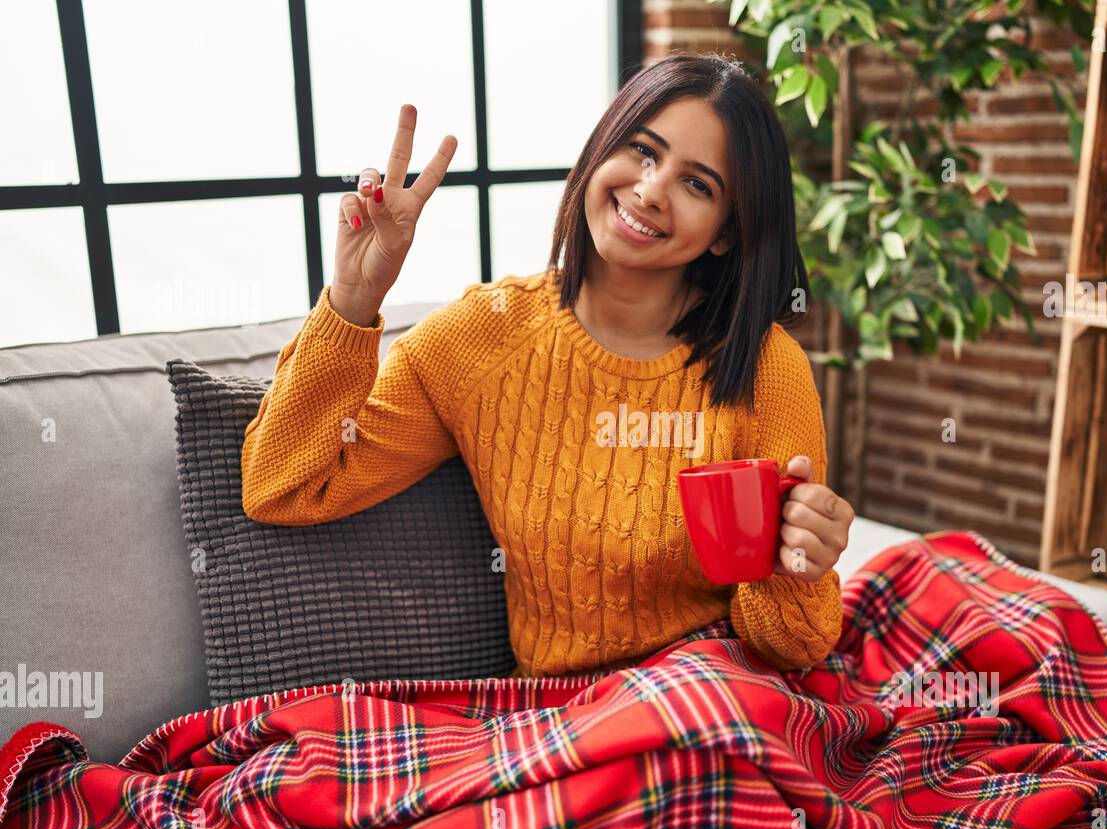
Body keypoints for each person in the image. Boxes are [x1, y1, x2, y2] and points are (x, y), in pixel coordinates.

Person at [241, 53, 853, 679]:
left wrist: (798, 570)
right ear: (600, 149)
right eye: (643, 151)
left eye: (698, 185)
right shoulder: (480, 337)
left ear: (726, 232)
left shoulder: (765, 366)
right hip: (559, 720)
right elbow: (283, 487)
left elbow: (794, 648)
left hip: (710, 696)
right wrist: (353, 296)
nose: (650, 190)